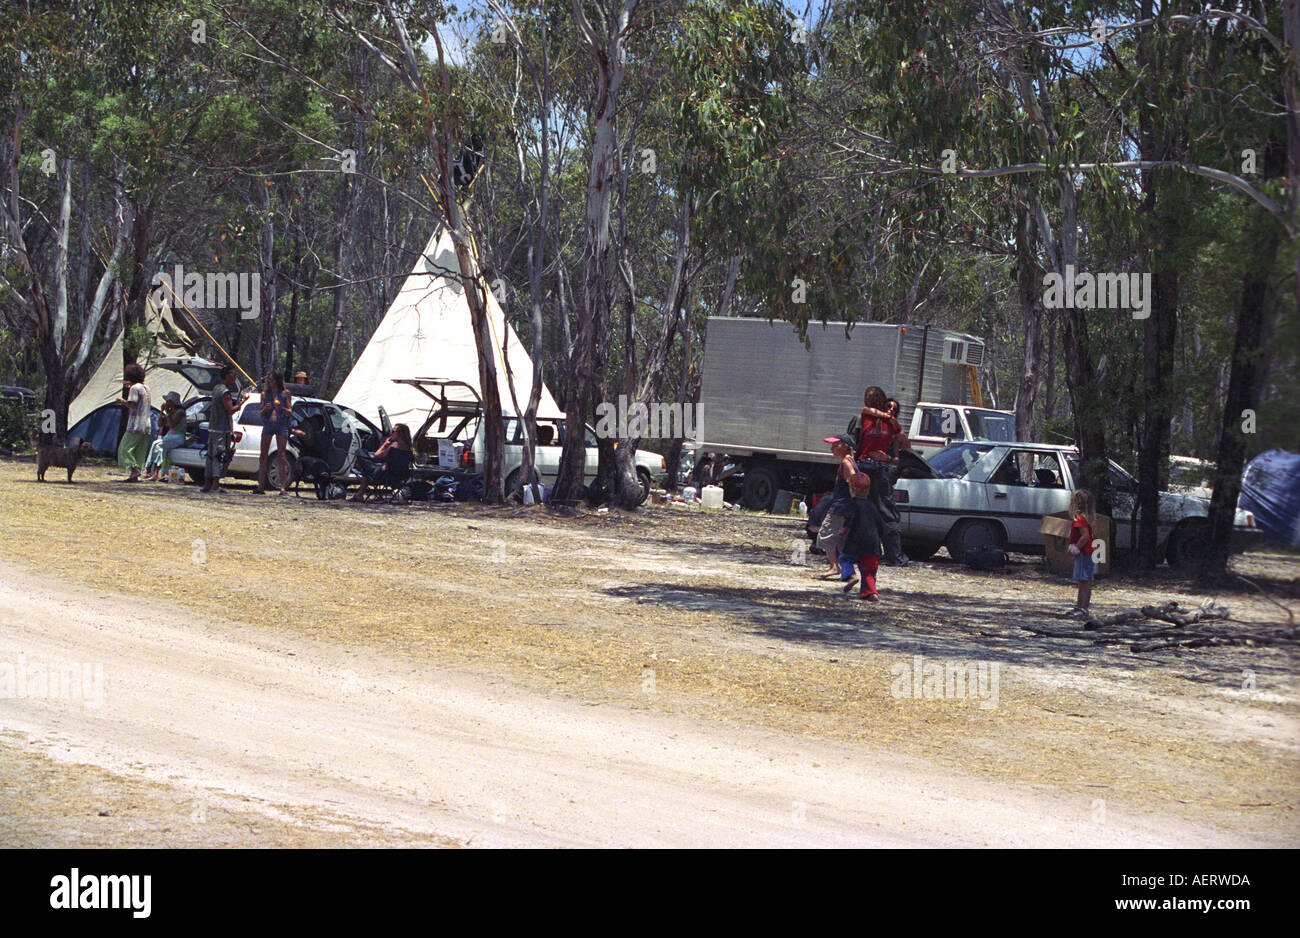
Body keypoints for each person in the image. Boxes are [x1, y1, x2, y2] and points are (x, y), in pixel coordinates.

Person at [853, 386, 909, 566]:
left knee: (861, 509)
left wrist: (891, 456)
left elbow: (903, 444)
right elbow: (906, 444)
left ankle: (857, 552)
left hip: (864, 465)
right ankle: (894, 556)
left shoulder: (866, 417)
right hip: (879, 468)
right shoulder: (888, 422)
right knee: (886, 511)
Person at [815, 434, 858, 580]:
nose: (832, 448)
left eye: (835, 445)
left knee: (825, 534)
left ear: (845, 446)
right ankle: (849, 573)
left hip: (841, 506)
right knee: (840, 541)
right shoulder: (849, 461)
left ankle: (834, 567)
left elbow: (853, 481)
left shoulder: (846, 463)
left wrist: (853, 503)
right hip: (846, 506)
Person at [836, 472, 884, 601]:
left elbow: (850, 517)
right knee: (869, 570)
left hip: (855, 542)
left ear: (851, 489)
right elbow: (881, 525)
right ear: (868, 491)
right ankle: (871, 593)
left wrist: (843, 529)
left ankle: (851, 576)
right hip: (872, 544)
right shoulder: (873, 506)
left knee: (845, 559)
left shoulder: (852, 503)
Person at [350, 423, 413, 501]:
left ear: (400, 434)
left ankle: (359, 495)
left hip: (384, 476)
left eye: (393, 431)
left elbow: (377, 455)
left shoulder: (394, 445)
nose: (391, 433)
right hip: (399, 478)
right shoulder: (409, 448)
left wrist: (385, 444)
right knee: (367, 471)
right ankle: (359, 495)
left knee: (360, 452)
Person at [202, 364, 239, 494]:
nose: (235, 378)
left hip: (213, 428)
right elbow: (230, 410)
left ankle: (207, 484)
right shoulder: (225, 392)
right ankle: (215, 485)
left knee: (210, 456)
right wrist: (242, 403)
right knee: (219, 456)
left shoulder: (216, 388)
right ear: (227, 376)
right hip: (221, 429)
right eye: (233, 375)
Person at [256, 371, 293, 495]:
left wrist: (282, 407)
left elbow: (290, 412)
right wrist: (265, 409)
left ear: (277, 380)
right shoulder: (265, 394)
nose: (270, 382)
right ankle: (261, 486)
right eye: (269, 380)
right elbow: (260, 414)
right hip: (268, 425)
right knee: (263, 455)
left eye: (272, 380)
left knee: (281, 456)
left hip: (281, 425)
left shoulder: (285, 394)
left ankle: (282, 487)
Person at [115, 362, 151, 482]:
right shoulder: (146, 388)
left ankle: (134, 469)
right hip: (146, 424)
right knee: (139, 450)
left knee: (124, 448)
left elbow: (132, 404)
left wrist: (122, 401)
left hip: (136, 424)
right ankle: (135, 475)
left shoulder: (135, 389)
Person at [1066, 488, 1097, 618]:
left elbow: (1084, 537)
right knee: (1083, 582)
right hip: (1086, 554)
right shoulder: (1085, 519)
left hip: (1084, 554)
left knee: (1085, 582)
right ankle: (1080, 606)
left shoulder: (1079, 519)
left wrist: (1075, 548)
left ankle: (1083, 608)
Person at [144, 392, 186, 481]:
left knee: (159, 446)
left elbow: (172, 425)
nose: (166, 402)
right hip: (169, 437)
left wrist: (167, 413)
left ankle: (155, 472)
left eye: (168, 401)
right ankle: (150, 470)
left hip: (178, 437)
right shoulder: (171, 412)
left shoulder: (180, 412)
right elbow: (160, 424)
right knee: (156, 445)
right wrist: (161, 412)